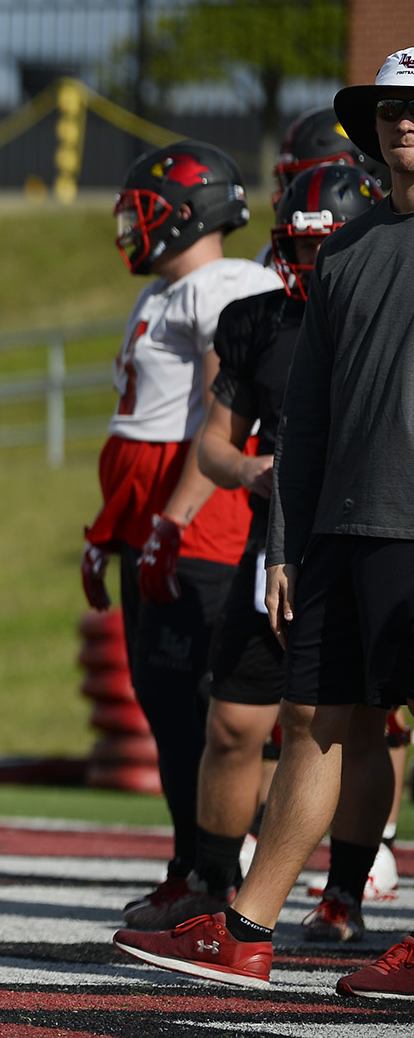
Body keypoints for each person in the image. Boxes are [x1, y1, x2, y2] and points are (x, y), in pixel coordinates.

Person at [113, 49, 414, 999]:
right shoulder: (351, 255)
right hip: (338, 534)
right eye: (390, 108)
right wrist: (283, 541)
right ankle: (244, 931)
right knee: (317, 728)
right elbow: (306, 422)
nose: (404, 121)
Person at [172, 163, 394, 941]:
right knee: (257, 721)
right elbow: (231, 443)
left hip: (377, 528)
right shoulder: (265, 314)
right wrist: (264, 497)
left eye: (319, 247)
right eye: (295, 250)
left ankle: (345, 890)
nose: (305, 266)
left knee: (361, 725)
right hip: (301, 536)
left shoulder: (377, 280)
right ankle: (223, 899)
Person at [80, 141, 280, 929]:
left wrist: (172, 517)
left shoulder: (225, 286)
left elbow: (217, 420)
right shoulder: (166, 293)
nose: (133, 226)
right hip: (154, 517)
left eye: (146, 210)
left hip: (198, 520)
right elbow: (142, 424)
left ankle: (216, 872)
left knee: (209, 707)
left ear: (187, 211)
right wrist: (115, 526)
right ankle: (194, 866)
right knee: (167, 707)